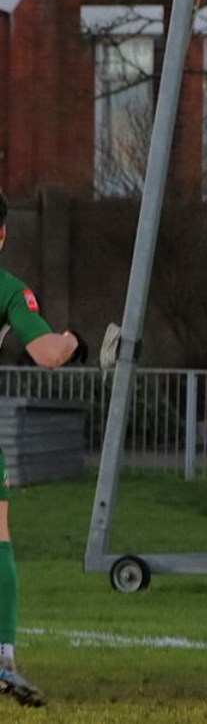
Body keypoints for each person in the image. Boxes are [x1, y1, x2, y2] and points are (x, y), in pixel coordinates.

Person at [0, 191, 81, 708]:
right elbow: (49, 355)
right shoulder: (10, 289)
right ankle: (2, 656)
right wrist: (74, 341)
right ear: (2, 234)